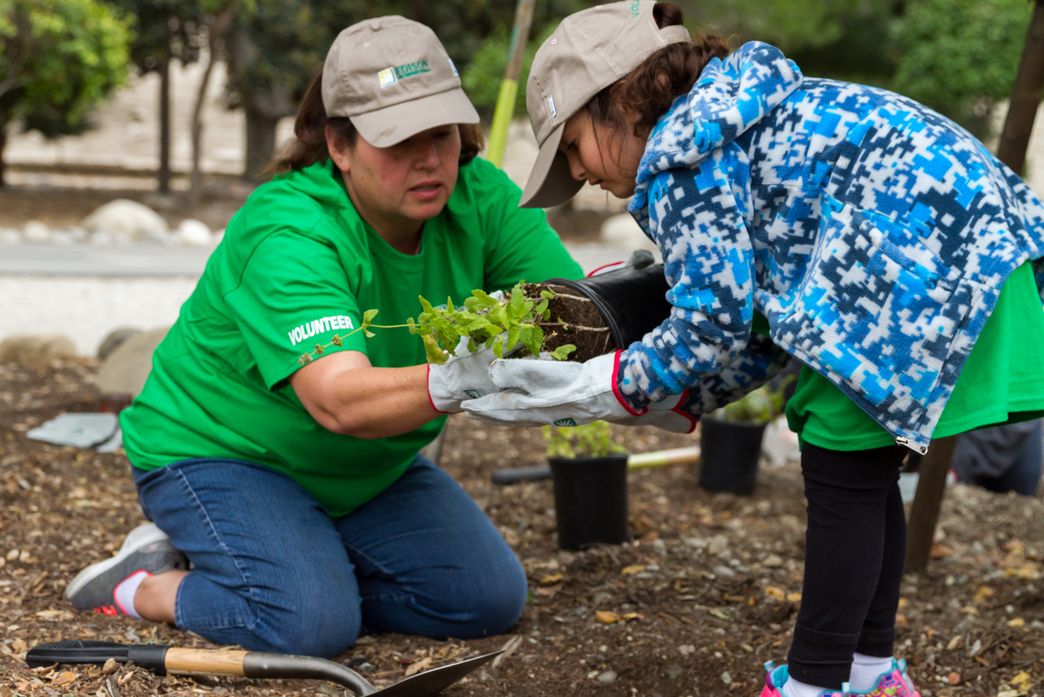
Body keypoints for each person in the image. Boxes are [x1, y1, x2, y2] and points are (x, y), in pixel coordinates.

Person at [457, 2, 1044, 696]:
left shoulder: (681, 157)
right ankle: (866, 670)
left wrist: (604, 386)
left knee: (839, 460)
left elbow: (712, 321)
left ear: (616, 101)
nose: (578, 174)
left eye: (574, 148)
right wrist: (667, 398)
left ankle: (815, 682)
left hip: (921, 263)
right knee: (859, 468)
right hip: (973, 256)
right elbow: (764, 324)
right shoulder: (734, 117)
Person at [63, 15, 583, 658]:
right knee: (308, 627)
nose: (430, 159)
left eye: (443, 134)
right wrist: (479, 373)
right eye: (400, 140)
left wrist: (663, 366)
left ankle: (290, 566)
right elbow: (340, 399)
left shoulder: (480, 195)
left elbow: (571, 311)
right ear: (339, 145)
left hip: (364, 467)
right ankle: (144, 583)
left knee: (481, 599)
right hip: (223, 454)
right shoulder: (290, 229)